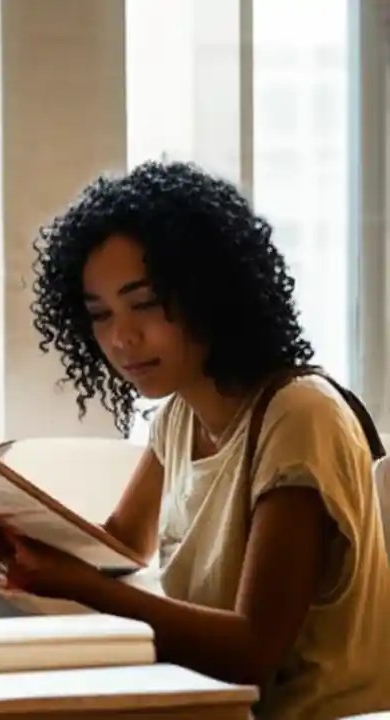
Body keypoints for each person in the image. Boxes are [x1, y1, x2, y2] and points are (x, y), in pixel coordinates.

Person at [19, 160, 390, 718]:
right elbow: (123, 542)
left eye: (144, 303)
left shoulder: (299, 415)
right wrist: (5, 531)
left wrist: (84, 587)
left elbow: (252, 650)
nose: (122, 337)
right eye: (100, 315)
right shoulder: (179, 416)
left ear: (210, 292)